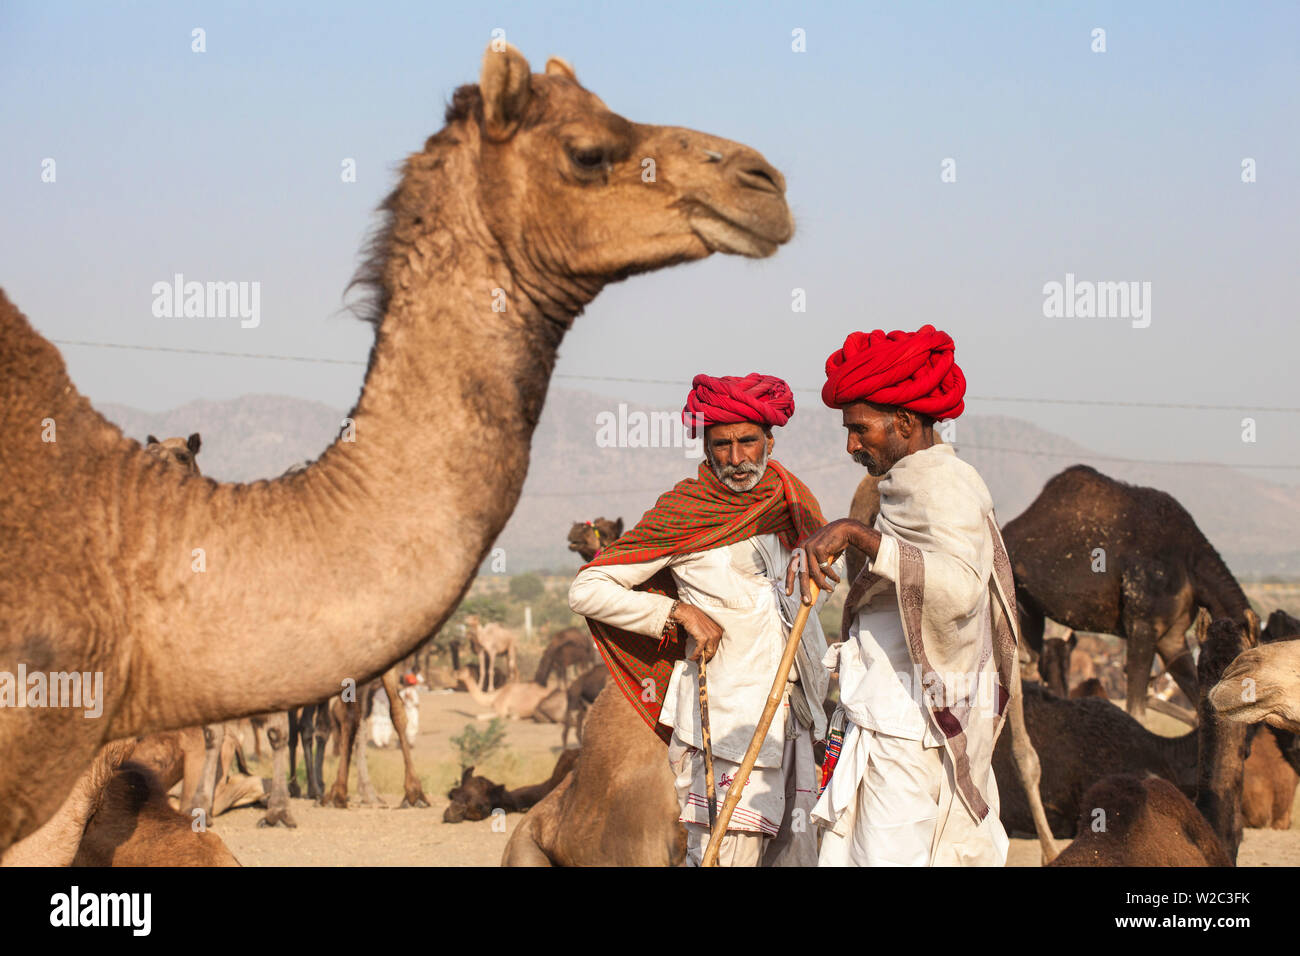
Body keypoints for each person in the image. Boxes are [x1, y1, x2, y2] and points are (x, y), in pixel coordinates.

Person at [569, 373, 833, 866]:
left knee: (798, 856)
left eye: (747, 442)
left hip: (797, 717)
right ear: (706, 447)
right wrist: (677, 611)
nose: (736, 458)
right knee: (722, 854)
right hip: (727, 722)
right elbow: (586, 589)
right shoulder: (684, 512)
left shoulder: (791, 502)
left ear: (769, 441)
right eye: (723, 445)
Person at [788, 325, 1019, 867]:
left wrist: (856, 534)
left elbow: (958, 590)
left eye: (859, 429)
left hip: (914, 731)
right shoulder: (905, 485)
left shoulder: (945, 486)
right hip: (885, 718)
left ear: (905, 422)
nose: (850, 445)